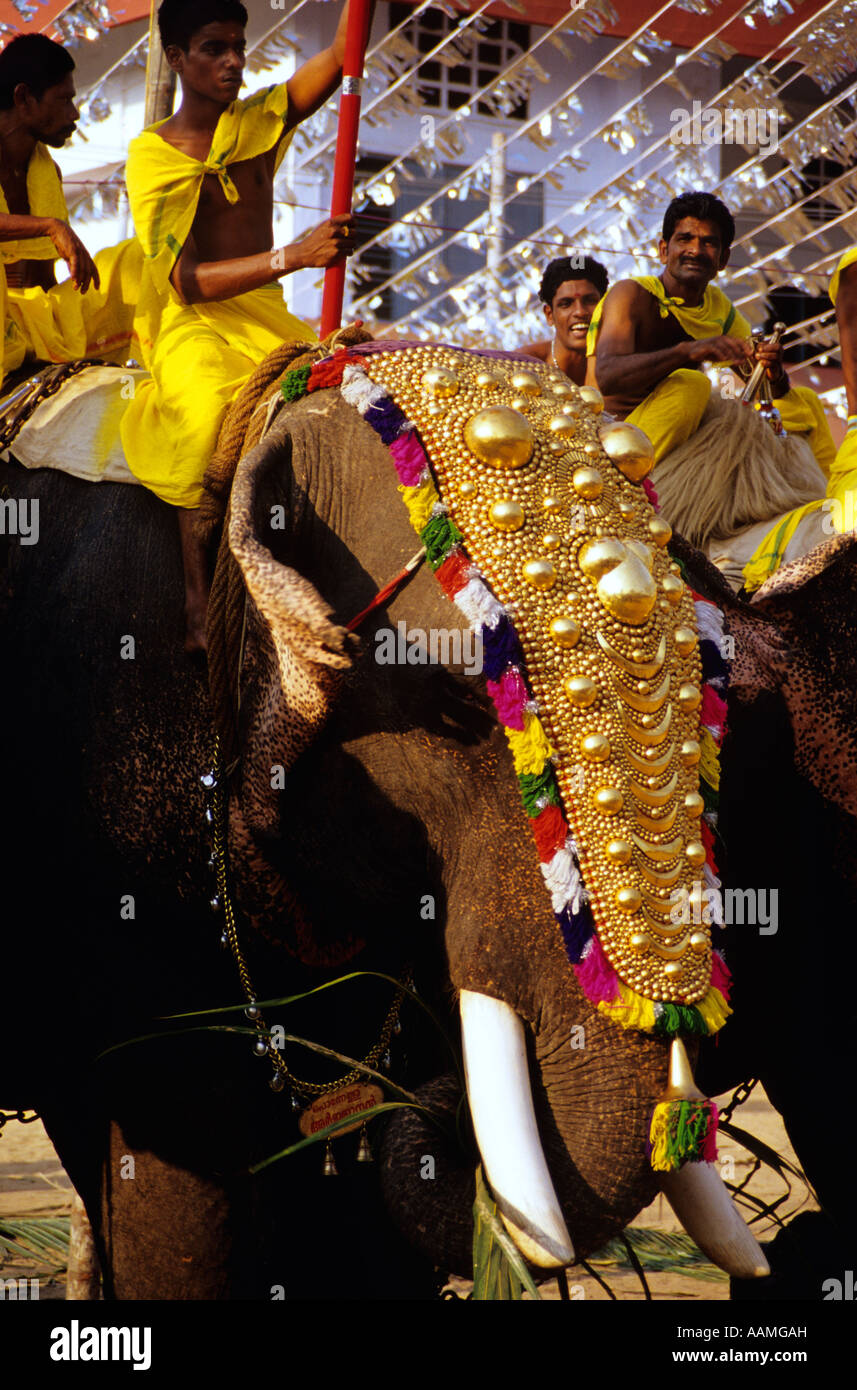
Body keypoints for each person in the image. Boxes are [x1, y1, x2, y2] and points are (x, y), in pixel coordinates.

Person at [121, 0, 365, 652]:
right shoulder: (151, 158)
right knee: (202, 411)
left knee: (350, 400)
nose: (232, 61)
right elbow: (187, 283)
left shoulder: (259, 120)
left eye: (238, 45)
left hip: (267, 319)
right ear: (176, 58)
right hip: (192, 323)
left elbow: (344, 52)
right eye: (212, 48)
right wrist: (296, 255)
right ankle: (198, 602)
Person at [585, 190, 834, 474]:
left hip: (685, 440)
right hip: (615, 440)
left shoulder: (721, 312)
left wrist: (773, 371)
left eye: (708, 243)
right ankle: (629, 481)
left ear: (723, 258)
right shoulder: (631, 294)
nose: (695, 250)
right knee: (692, 385)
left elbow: (765, 388)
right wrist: (687, 351)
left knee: (807, 403)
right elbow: (608, 378)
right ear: (664, 250)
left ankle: (829, 506)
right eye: (685, 239)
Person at [0, 33, 141, 390]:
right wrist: (50, 226)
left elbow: (44, 281)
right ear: (23, 97)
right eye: (64, 100)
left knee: (136, 260)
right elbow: (48, 231)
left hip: (29, 323)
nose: (74, 114)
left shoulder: (47, 171)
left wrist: (60, 344)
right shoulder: (50, 225)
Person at [521, 254, 608, 386]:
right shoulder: (525, 366)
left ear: (605, 307)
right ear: (549, 315)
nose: (580, 312)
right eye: (566, 304)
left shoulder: (621, 364)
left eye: (590, 301)